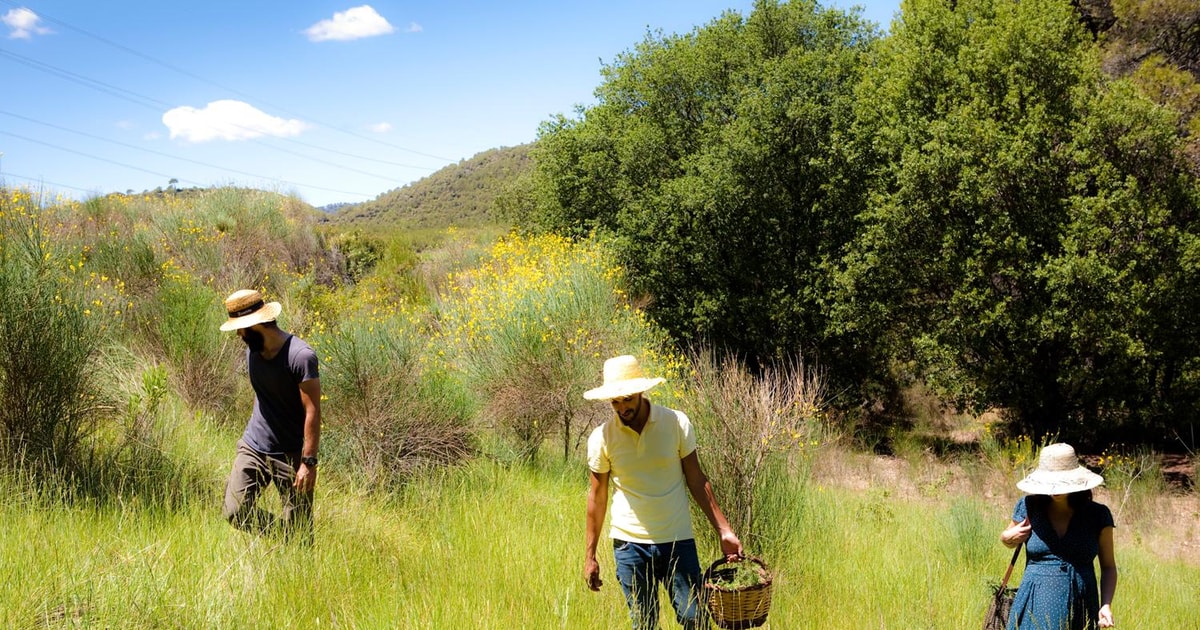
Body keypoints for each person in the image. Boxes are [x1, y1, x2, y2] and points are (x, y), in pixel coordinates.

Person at [583, 354, 743, 630]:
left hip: (677, 540)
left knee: (695, 619)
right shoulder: (602, 437)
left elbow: (696, 479)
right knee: (644, 624)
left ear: (641, 391)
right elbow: (597, 497)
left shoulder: (676, 423)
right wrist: (590, 556)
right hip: (629, 545)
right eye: (615, 401)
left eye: (627, 398)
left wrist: (724, 530)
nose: (622, 407)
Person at [219, 289, 322, 543]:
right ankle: (286, 538)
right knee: (235, 511)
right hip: (254, 445)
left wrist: (308, 463)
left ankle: (296, 546)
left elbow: (313, 411)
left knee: (300, 532)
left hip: (291, 454)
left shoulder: (300, 356)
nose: (238, 335)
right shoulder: (252, 350)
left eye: (241, 328)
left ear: (256, 325)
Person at [999, 443, 1118, 629]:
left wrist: (1106, 605)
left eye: (1061, 481)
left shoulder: (1098, 515)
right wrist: (1007, 538)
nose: (1055, 489)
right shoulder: (1029, 506)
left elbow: (1109, 566)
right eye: (1050, 481)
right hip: (1034, 603)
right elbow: (1006, 538)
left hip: (1081, 604)